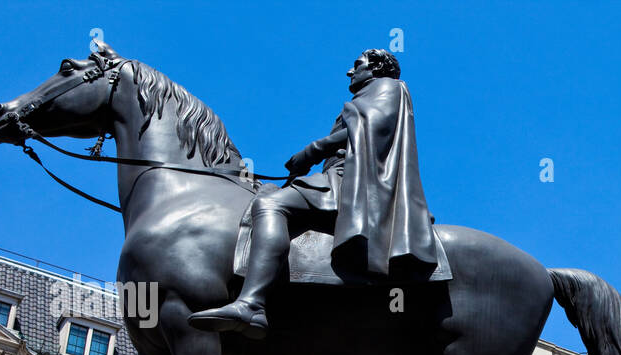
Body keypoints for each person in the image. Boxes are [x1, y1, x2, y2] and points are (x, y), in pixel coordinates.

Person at [190, 49, 447, 338]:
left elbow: (369, 128)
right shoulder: (366, 96)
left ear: (375, 67)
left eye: (357, 65)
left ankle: (252, 304)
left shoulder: (389, 87)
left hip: (353, 183)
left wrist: (311, 151)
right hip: (341, 177)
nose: (350, 72)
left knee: (271, 204)